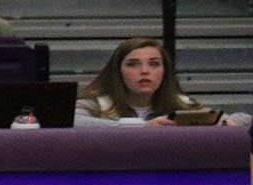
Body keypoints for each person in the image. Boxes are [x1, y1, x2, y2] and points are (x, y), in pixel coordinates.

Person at [74, 36, 248, 125]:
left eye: (154, 64)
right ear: (117, 71)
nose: (145, 71)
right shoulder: (95, 103)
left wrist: (225, 124)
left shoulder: (180, 104)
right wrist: (144, 128)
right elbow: (72, 122)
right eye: (133, 64)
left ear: (165, 71)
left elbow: (245, 119)